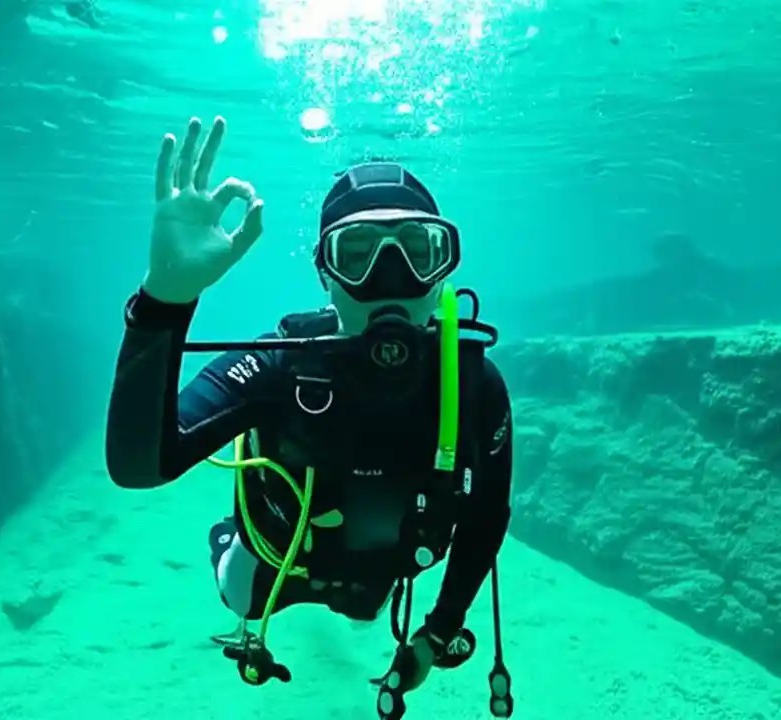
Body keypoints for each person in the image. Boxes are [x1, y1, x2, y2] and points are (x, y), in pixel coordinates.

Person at [104, 115, 515, 720]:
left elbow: (486, 519)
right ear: (326, 274)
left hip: (382, 572)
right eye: (357, 254)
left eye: (416, 251)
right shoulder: (279, 366)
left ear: (443, 269)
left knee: (366, 610)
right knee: (237, 597)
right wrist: (164, 302)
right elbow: (139, 467)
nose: (389, 279)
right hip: (275, 560)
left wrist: (436, 632)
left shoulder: (475, 386)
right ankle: (228, 536)